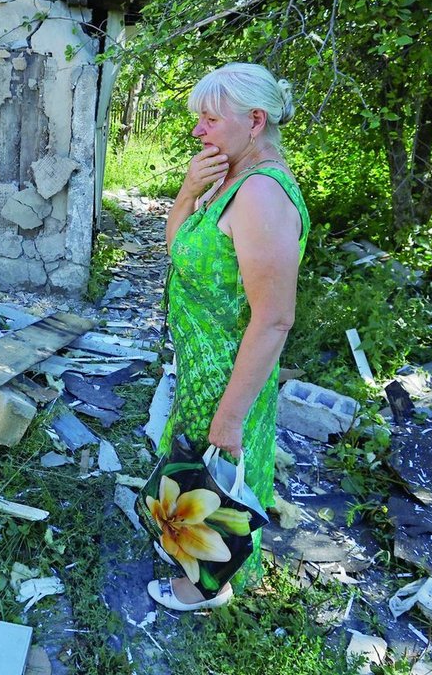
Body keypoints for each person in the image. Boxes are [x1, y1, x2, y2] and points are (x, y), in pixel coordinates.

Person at [147, 63, 310, 611]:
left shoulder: (262, 195)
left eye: (210, 120)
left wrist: (231, 418)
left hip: (227, 376)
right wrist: (188, 191)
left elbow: (274, 320)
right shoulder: (230, 178)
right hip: (202, 369)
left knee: (216, 478)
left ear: (255, 121)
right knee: (195, 474)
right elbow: (180, 250)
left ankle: (205, 587)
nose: (198, 131)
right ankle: (192, 558)